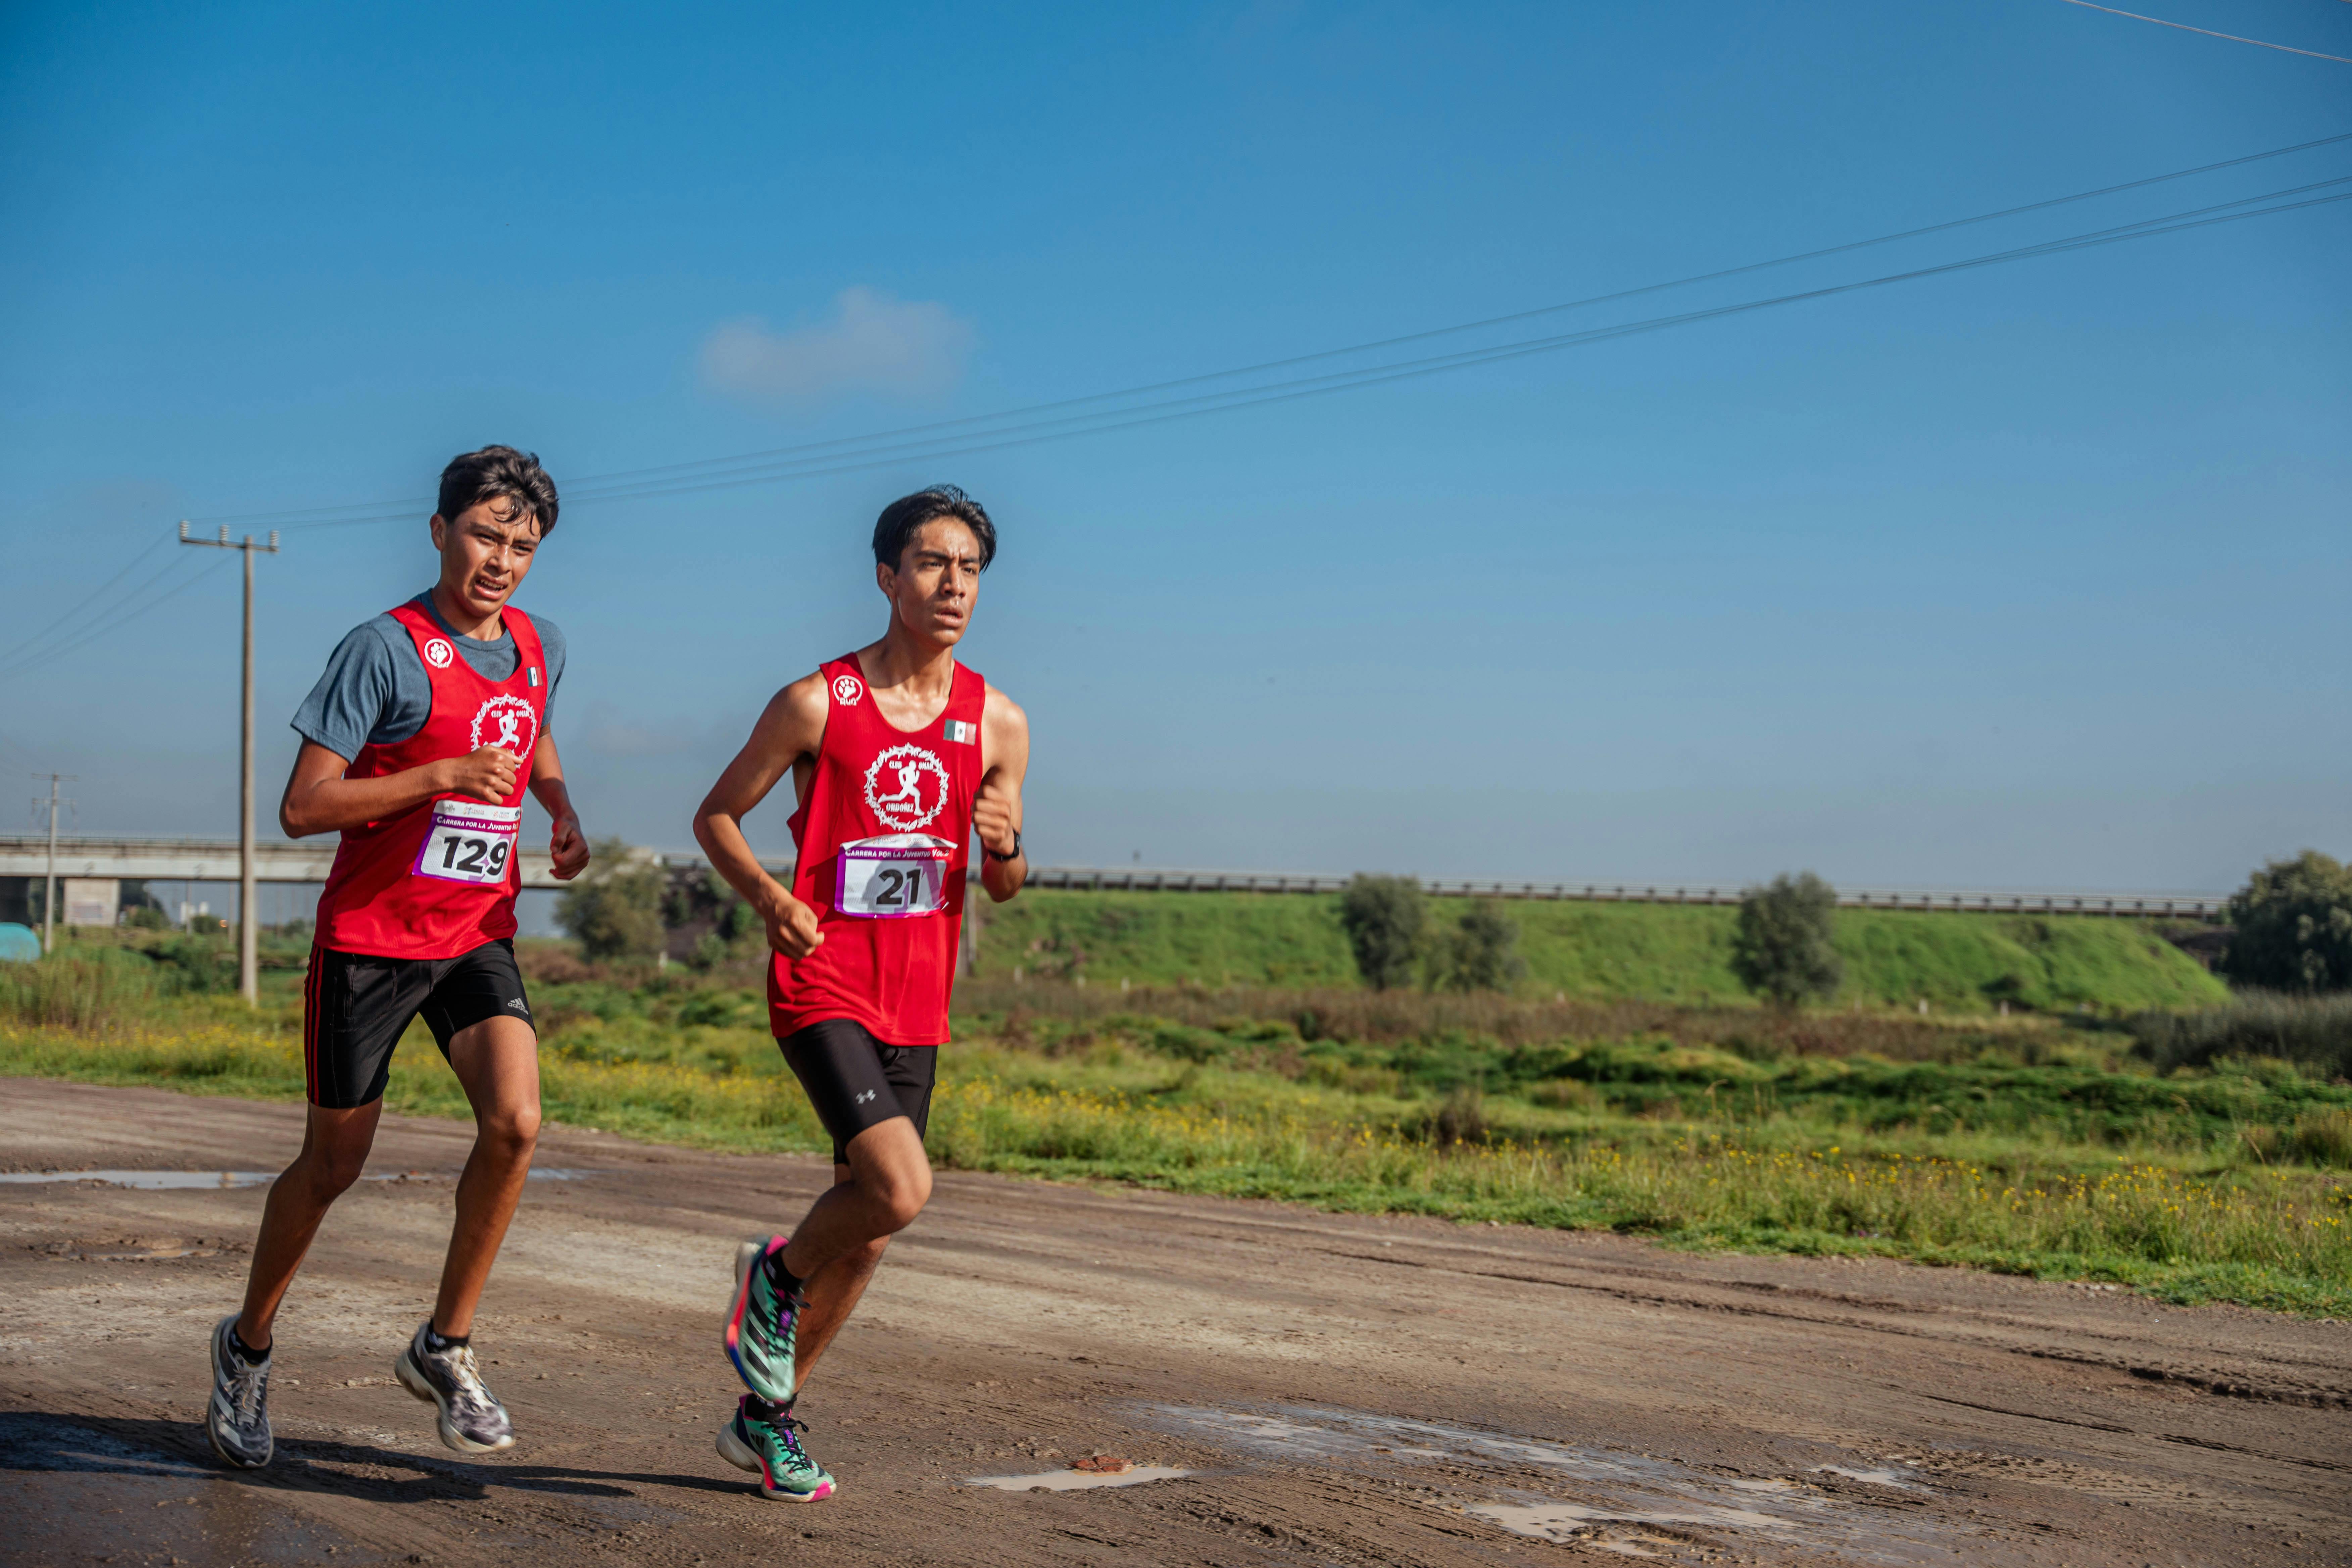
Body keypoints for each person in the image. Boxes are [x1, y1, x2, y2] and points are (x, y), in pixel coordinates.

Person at [204, 446, 591, 1470]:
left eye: (522, 544)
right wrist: (438, 776)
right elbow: (303, 808)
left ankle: (445, 1343)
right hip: (370, 943)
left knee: (516, 1122)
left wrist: (558, 807)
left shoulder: (540, 644)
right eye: (484, 535)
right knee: (334, 1165)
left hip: (473, 932)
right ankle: (246, 1349)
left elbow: (532, 729)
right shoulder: (382, 650)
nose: (500, 559)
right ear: (439, 531)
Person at [692, 485, 1029, 1502]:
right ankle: (776, 1279)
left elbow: (1003, 883)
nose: (953, 584)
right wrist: (767, 898)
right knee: (899, 1188)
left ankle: (766, 1420)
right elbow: (715, 816)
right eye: (933, 563)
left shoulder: (998, 720)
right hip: (822, 978)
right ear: (887, 576)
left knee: (873, 1226)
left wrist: (1007, 844)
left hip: (917, 1001)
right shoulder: (816, 703)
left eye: (970, 568)